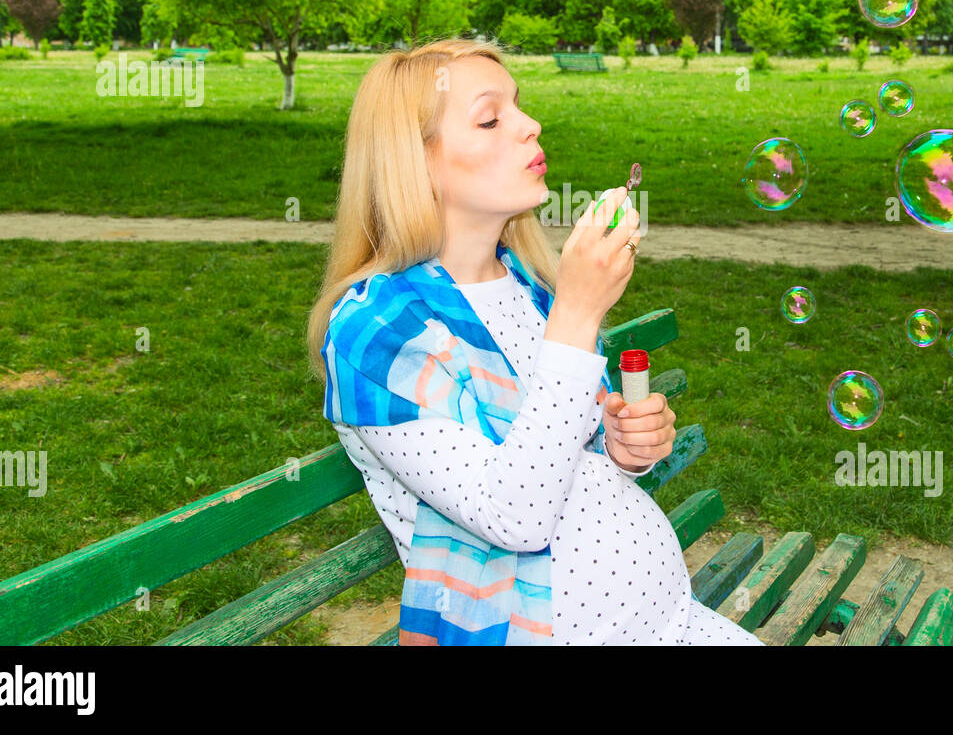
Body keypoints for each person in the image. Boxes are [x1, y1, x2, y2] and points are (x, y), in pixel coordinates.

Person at [305, 37, 763, 646]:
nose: (530, 125)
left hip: (667, 623)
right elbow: (514, 516)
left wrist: (627, 445)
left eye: (518, 106)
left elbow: (568, 442)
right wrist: (578, 313)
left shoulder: (526, 286)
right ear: (416, 162)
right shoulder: (378, 333)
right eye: (491, 118)